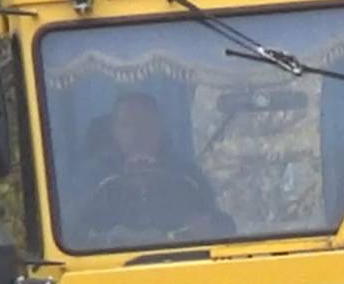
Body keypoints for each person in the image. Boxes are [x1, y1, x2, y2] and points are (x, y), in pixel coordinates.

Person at [76, 91, 234, 246]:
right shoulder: (93, 178)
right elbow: (71, 228)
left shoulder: (187, 176)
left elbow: (223, 228)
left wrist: (205, 228)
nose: (136, 132)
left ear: (159, 126)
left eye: (145, 123)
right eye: (126, 125)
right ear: (113, 130)